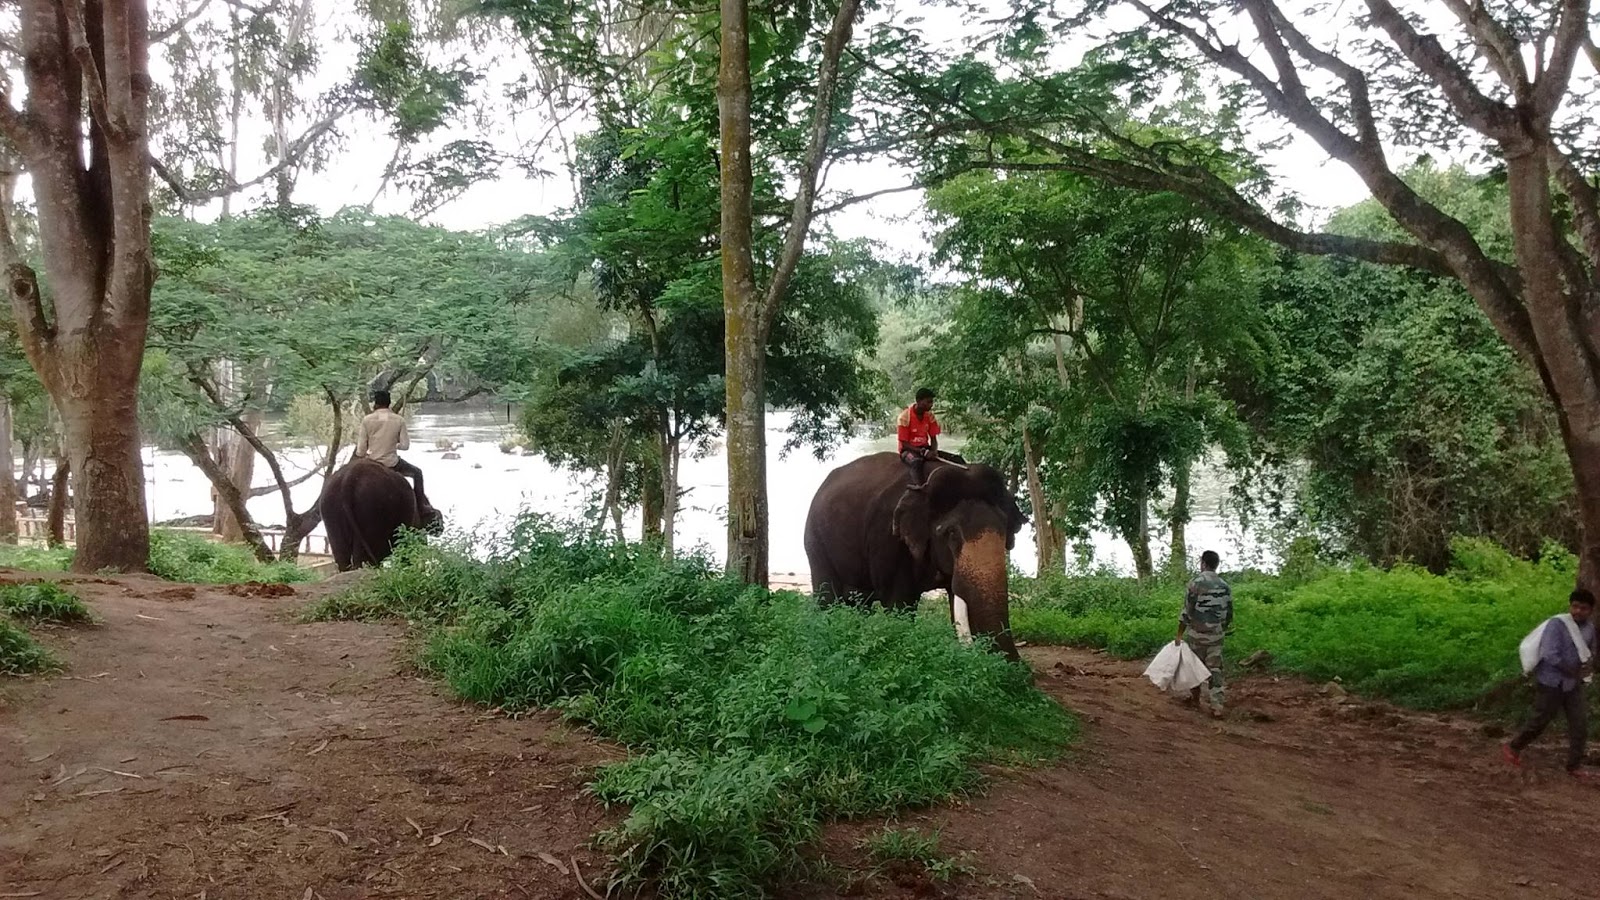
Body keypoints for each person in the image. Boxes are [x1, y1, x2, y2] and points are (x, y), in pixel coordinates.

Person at [1504, 588, 1596, 779]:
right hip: (1551, 680)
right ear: (1570, 606)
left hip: (1572, 683)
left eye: (1583, 608)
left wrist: (1586, 670)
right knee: (1540, 720)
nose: (1578, 611)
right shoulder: (1557, 624)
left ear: (1590, 610)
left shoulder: (1590, 629)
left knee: (1579, 724)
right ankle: (1514, 747)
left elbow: (1590, 652)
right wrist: (1572, 670)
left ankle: (1574, 765)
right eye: (1575, 606)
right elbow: (1549, 654)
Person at [1175, 550, 1232, 717]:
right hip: (1216, 635)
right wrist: (1223, 628)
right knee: (1215, 669)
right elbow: (1229, 613)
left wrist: (1179, 634)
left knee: (1195, 667)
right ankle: (1217, 706)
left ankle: (1195, 699)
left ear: (1203, 563)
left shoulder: (1196, 583)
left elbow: (1187, 611)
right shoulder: (1224, 585)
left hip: (1197, 635)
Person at [355, 390, 425, 497]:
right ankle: (421, 505)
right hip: (392, 464)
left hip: (372, 463)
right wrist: (396, 444)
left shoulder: (367, 420)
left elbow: (360, 451)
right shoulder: (399, 420)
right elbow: (405, 446)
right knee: (417, 473)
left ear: (375, 404)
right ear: (389, 403)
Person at [897, 387, 941, 490]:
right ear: (919, 401)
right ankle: (918, 486)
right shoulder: (904, 417)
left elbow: (933, 438)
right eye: (928, 402)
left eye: (932, 402)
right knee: (916, 462)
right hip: (908, 450)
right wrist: (922, 452)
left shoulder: (930, 416)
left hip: (925, 448)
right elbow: (904, 443)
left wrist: (934, 451)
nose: (931, 405)